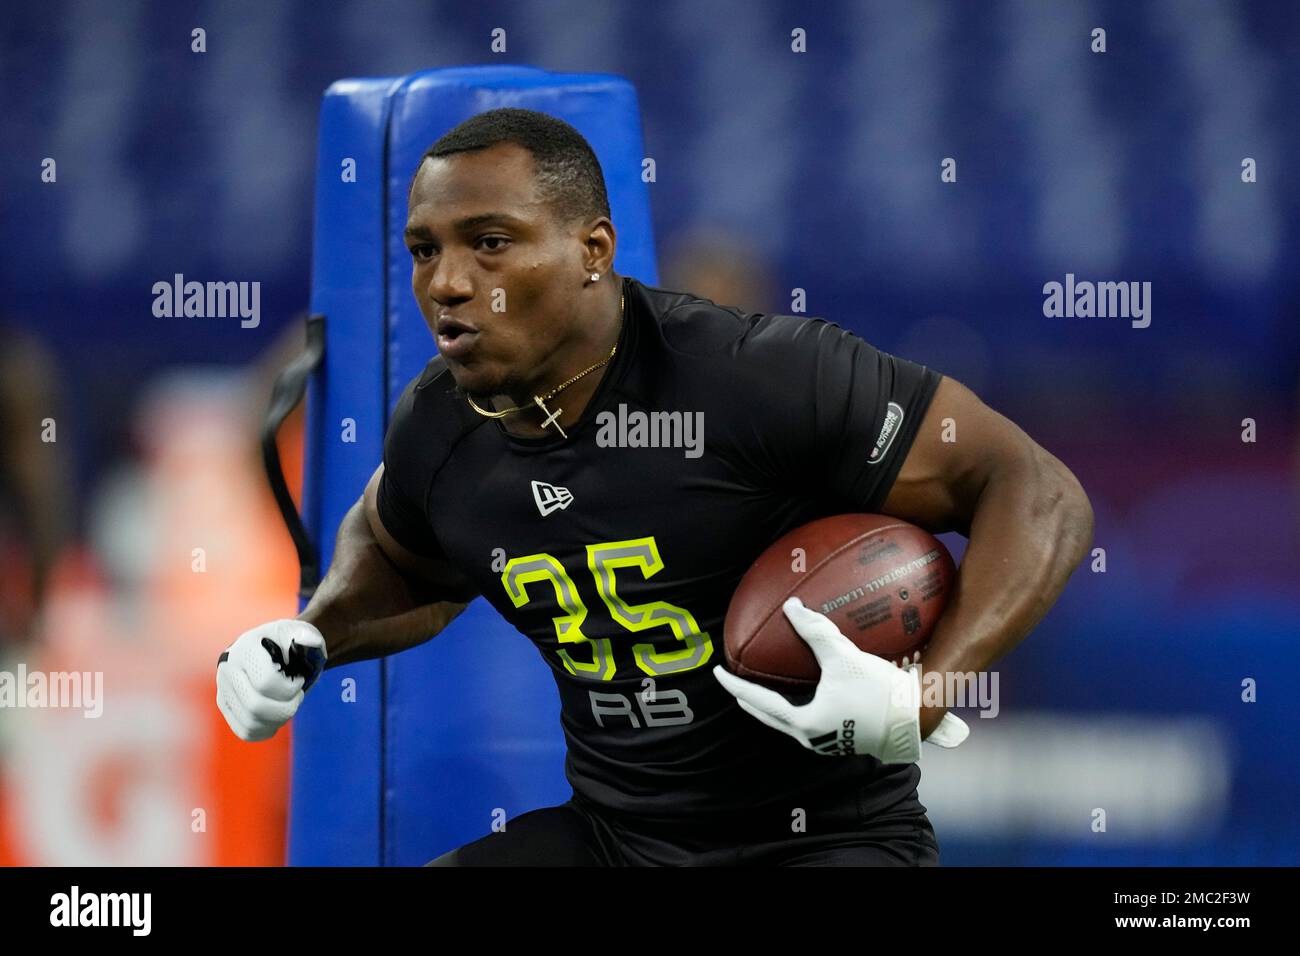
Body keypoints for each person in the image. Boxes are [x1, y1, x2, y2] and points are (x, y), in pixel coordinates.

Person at [216, 108, 1094, 866]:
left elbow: (1034, 487)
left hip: (819, 838)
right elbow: (398, 548)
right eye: (424, 250)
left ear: (594, 249)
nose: (446, 283)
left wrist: (922, 693)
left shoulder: (757, 377)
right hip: (617, 839)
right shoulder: (441, 427)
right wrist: (309, 635)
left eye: (489, 242)